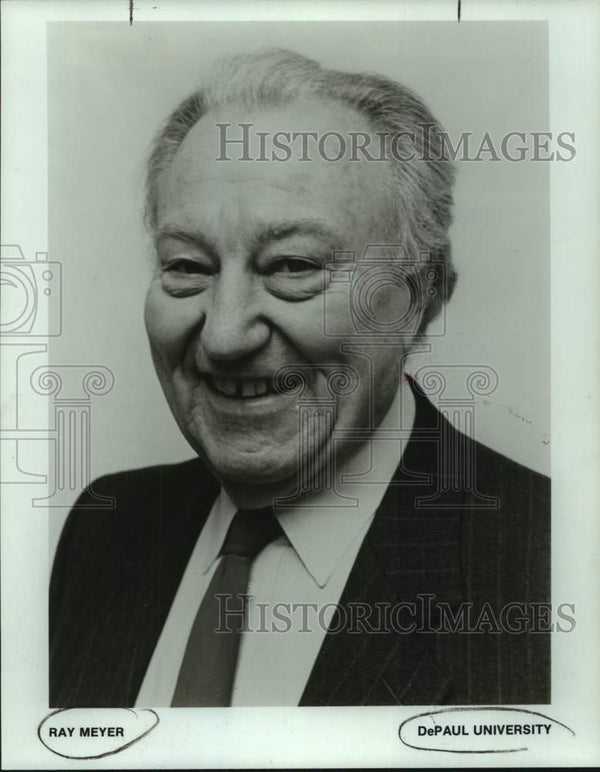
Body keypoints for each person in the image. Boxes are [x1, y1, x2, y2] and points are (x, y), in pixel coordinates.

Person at [50, 48, 550, 707]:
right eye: (187, 266)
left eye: (292, 266)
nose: (225, 335)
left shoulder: (548, 564)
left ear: (419, 295)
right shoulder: (104, 530)